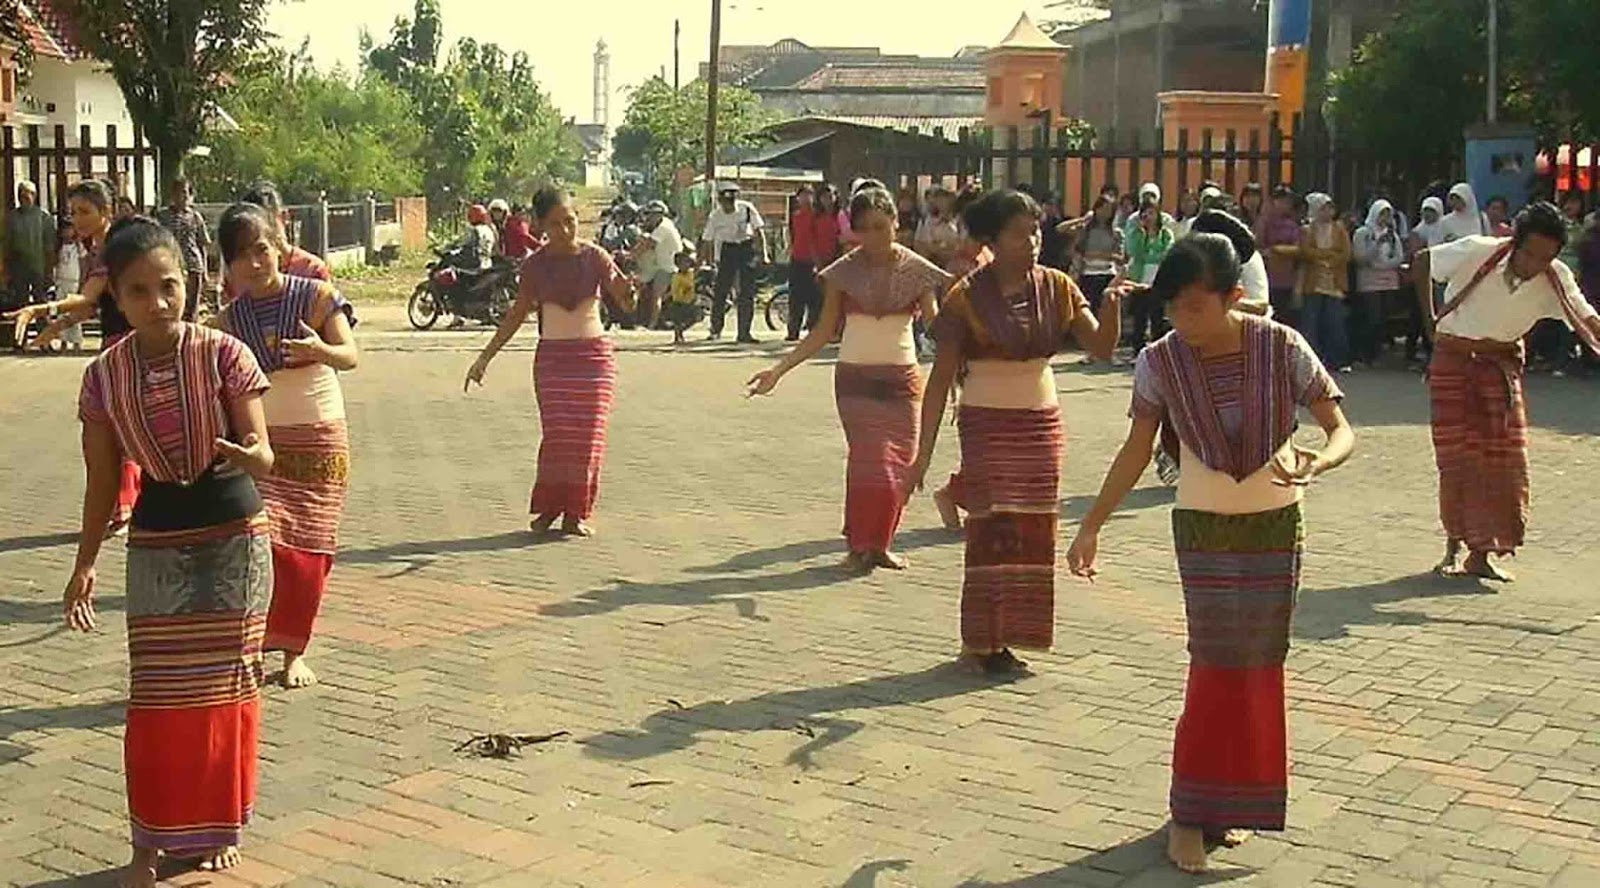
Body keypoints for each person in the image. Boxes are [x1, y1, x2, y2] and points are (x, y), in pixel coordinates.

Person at [1066, 233, 1353, 875]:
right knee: (1214, 666)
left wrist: (1321, 462)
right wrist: (1091, 526)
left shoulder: (1282, 347)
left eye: (1195, 307)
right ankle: (1189, 812)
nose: (1181, 321)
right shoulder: (1161, 361)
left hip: (1276, 526)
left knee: (1259, 669)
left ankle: (1231, 806)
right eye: (1172, 308)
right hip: (1203, 528)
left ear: (1234, 298)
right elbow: (1137, 450)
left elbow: (1339, 427)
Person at [67, 216, 277, 886]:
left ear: (189, 284)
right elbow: (103, 480)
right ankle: (149, 842)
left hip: (233, 533)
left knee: (224, 687)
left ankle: (221, 823)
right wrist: (85, 563)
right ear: (116, 299)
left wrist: (256, 454)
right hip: (157, 537)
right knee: (156, 699)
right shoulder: (102, 378)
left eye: (170, 286)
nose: (158, 303)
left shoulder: (224, 354)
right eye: (138, 291)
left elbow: (263, 450)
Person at [909, 188, 1121, 674]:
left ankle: (1013, 636)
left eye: (1036, 233)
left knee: (1032, 530)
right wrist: (922, 455)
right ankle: (979, 642)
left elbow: (1104, 347)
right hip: (987, 424)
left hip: (1040, 424)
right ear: (992, 240)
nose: (1032, 244)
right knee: (990, 529)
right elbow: (941, 378)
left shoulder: (1060, 287)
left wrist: (1110, 304)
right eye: (1019, 235)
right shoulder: (965, 298)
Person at [747, 186, 950, 570]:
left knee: (899, 466)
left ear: (896, 222)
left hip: (903, 380)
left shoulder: (918, 271)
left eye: (881, 226)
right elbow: (823, 331)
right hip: (855, 380)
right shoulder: (843, 273)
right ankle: (858, 545)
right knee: (868, 463)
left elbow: (937, 325)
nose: (874, 236)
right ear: (854, 231)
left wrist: (964, 352)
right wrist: (778, 371)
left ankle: (882, 543)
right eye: (865, 229)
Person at [1414, 201, 1600, 583]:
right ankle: (1453, 545)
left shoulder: (1555, 277)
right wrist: (1430, 323)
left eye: (1544, 257)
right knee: (1456, 458)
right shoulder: (1478, 250)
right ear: (1515, 241)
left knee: (1503, 462)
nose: (1534, 265)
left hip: (1500, 367)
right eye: (1529, 253)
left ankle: (1481, 555)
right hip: (1454, 358)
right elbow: (1421, 261)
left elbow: (1586, 317)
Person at [215, 203, 359, 691]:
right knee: (263, 545)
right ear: (228, 268)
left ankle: (293, 653)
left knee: (309, 553)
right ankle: (253, 644)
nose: (255, 264)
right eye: (241, 257)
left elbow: (349, 355)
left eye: (261, 250)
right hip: (263, 444)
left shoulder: (316, 296)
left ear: (278, 246)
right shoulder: (228, 320)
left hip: (320, 438)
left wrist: (320, 351)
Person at [466, 186, 635, 535]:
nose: (565, 231)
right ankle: (549, 508)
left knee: (589, 438)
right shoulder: (534, 267)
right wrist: (485, 358)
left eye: (570, 222)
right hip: (554, 361)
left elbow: (628, 303)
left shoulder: (596, 258)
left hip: (594, 360)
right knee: (558, 437)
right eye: (555, 224)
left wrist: (633, 290)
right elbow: (515, 315)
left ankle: (576, 513)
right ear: (540, 225)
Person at [5, 180, 140, 536]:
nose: (76, 219)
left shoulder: (114, 248)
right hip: (116, 342)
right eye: (73, 211)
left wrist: (44, 310)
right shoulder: (98, 247)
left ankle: (126, 503)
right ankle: (125, 502)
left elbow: (88, 297)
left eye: (84, 211)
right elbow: (89, 303)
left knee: (115, 425)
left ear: (105, 213)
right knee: (112, 424)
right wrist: (57, 324)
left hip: (130, 342)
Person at [220, 181, 332, 306]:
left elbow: (328, 313)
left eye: (267, 221)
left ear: (284, 217)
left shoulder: (312, 270)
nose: (260, 231)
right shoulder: (237, 275)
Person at [1285, 193, 1353, 372]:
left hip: (1334, 282)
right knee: (1310, 323)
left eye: (1330, 207)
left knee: (1335, 322)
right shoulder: (1307, 229)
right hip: (1312, 281)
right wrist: (1325, 255)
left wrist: (1330, 260)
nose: (1328, 211)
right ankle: (1309, 360)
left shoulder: (1340, 229)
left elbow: (1346, 253)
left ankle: (1337, 360)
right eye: (1323, 208)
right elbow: (1306, 251)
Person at [699, 182, 767, 343]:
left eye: (730, 203)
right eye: (724, 203)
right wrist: (700, 261)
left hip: (745, 248)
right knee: (721, 291)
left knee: (747, 292)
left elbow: (758, 231)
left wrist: (763, 254)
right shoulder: (716, 215)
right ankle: (715, 329)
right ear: (720, 202)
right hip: (727, 250)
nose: (727, 206)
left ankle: (744, 332)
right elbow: (707, 240)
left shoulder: (747, 209)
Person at [1350, 199, 1406, 367]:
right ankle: (1363, 354)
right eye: (1382, 213)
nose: (1386, 217)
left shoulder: (1392, 236)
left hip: (1388, 282)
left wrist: (1383, 266)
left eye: (1388, 214)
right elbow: (1361, 258)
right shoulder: (1363, 233)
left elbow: (1398, 257)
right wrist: (1377, 245)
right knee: (1371, 318)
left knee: (1382, 319)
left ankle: (1375, 354)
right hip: (1369, 283)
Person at [155, 176, 212, 322]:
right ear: (173, 195)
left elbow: (202, 244)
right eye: (179, 192)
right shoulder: (163, 216)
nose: (182, 196)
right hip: (171, 264)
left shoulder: (195, 216)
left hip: (193, 264)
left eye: (185, 193)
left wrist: (204, 271)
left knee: (192, 306)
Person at [1126, 201, 1176, 353]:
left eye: (1152, 213)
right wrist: (1141, 232)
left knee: (1157, 316)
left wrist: (1152, 255)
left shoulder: (1166, 234)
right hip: (1140, 278)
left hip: (1158, 279)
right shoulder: (1137, 234)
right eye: (1145, 213)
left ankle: (1158, 348)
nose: (1148, 216)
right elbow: (1135, 252)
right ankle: (1138, 349)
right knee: (1139, 315)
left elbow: (1167, 254)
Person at [1256, 185, 1304, 328]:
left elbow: (1298, 250)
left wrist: (1276, 249)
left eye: (1286, 201)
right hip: (1267, 278)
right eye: (1280, 200)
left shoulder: (1293, 225)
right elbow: (1257, 246)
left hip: (1287, 280)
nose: (1283, 204)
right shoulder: (1264, 222)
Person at [1072, 193, 1124, 321]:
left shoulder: (1115, 233)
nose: (1105, 213)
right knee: (1090, 309)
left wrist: (1105, 256)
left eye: (1109, 210)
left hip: (1107, 273)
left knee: (1106, 310)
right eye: (1103, 208)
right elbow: (1079, 250)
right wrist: (1082, 220)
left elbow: (1121, 258)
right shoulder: (1086, 230)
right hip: (1088, 273)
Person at [634, 200, 683, 333]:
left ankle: (652, 325)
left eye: (651, 215)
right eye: (648, 214)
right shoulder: (660, 226)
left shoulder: (663, 227)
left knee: (656, 296)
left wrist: (630, 256)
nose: (648, 217)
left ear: (659, 215)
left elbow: (648, 245)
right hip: (661, 264)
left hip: (668, 267)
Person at [6, 180, 55, 302]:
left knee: (40, 299)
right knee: (20, 299)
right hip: (18, 266)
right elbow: (7, 244)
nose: (26, 198)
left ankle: (42, 321)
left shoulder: (44, 217)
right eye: (22, 195)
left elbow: (50, 244)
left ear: (35, 196)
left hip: (39, 265)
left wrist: (49, 270)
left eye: (30, 194)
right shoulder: (12, 218)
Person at [786, 185, 822, 341]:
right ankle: (793, 331)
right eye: (803, 195)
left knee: (814, 298)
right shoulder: (795, 216)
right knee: (795, 298)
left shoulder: (817, 216)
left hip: (812, 260)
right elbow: (792, 234)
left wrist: (817, 261)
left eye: (809, 195)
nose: (806, 198)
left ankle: (812, 329)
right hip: (797, 259)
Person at [53, 220, 84, 350]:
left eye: (70, 229)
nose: (67, 232)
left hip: (74, 281)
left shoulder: (78, 246)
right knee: (61, 312)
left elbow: (84, 262)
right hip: (62, 281)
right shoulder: (58, 247)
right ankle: (64, 340)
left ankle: (76, 340)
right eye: (64, 230)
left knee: (74, 311)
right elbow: (55, 263)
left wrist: (83, 280)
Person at [664, 250, 700, 344]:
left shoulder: (691, 273)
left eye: (687, 262)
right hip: (678, 302)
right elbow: (674, 289)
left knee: (695, 317)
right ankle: (677, 336)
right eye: (682, 263)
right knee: (677, 320)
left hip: (690, 301)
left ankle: (681, 330)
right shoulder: (676, 277)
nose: (686, 265)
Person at [466, 204, 498, 269]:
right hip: (488, 263)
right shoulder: (490, 229)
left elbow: (467, 244)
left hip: (475, 264)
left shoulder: (476, 230)